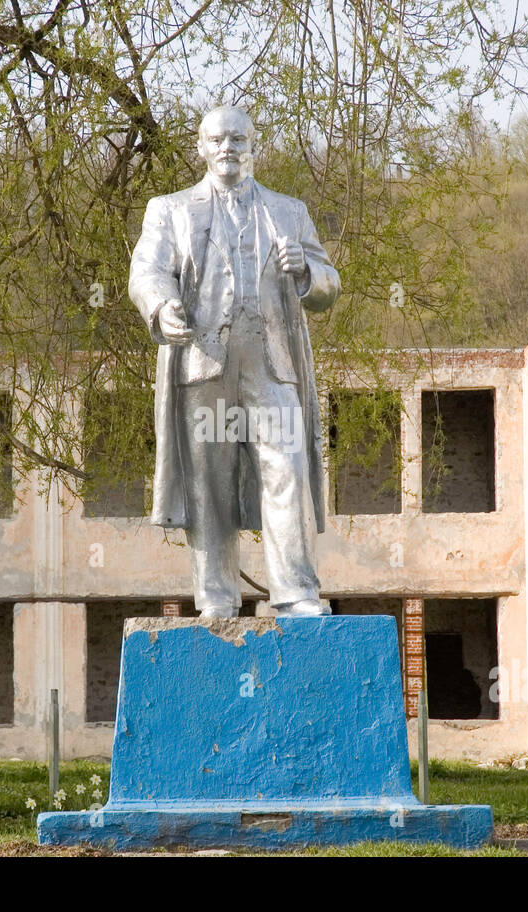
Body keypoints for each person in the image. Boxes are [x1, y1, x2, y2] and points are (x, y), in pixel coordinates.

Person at [128, 105, 340, 618]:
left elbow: (329, 284)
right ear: (200, 147)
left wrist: (308, 271)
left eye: (238, 139)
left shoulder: (288, 211)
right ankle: (217, 598)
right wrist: (161, 305)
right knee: (210, 480)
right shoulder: (170, 209)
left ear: (253, 145)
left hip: (271, 364)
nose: (228, 148)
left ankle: (294, 592)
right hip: (205, 363)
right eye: (217, 139)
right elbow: (146, 270)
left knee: (287, 467)